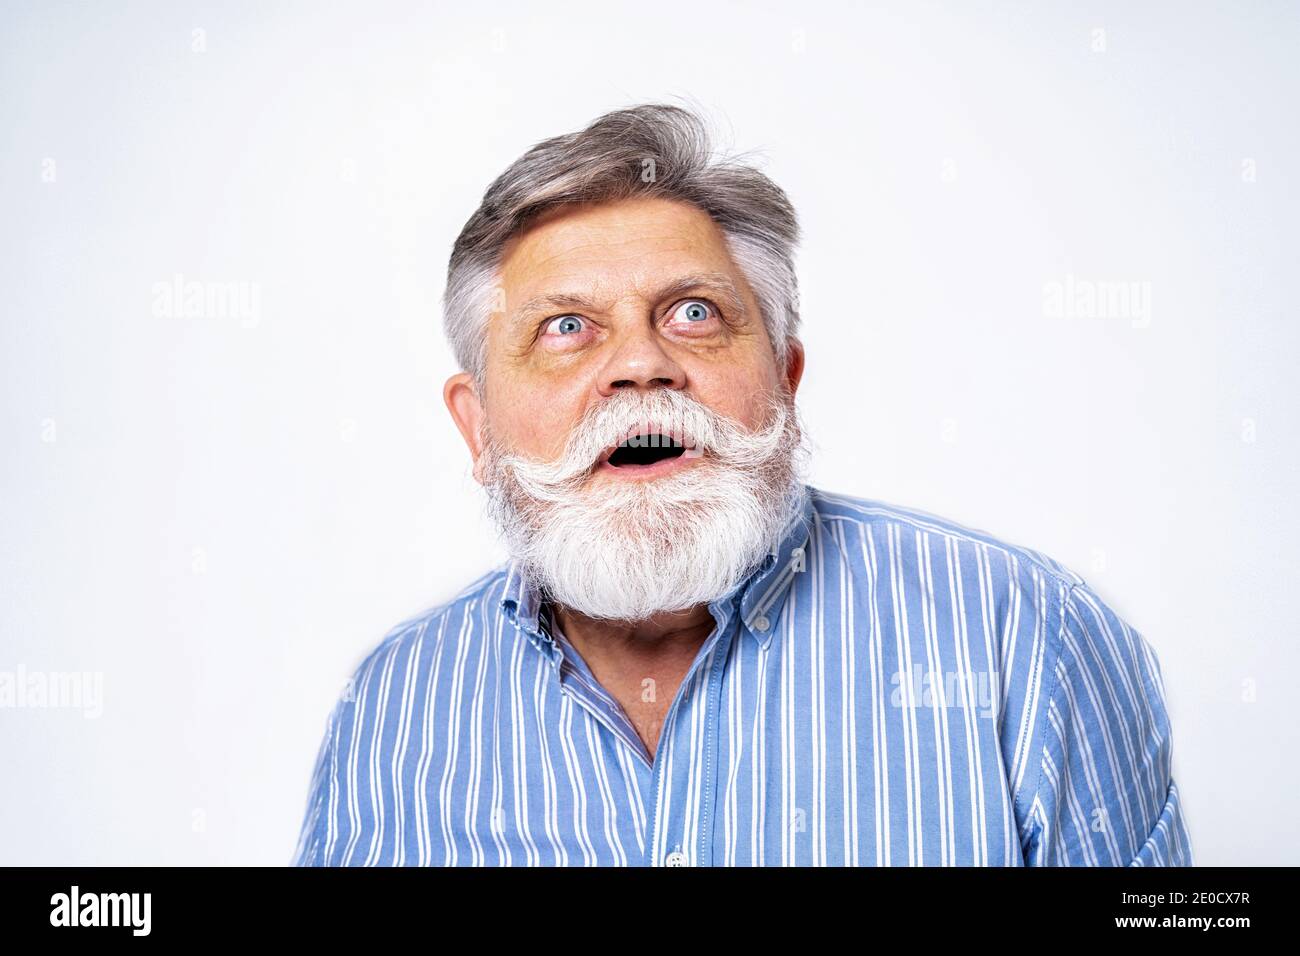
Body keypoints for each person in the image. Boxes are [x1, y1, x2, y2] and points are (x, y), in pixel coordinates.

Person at [292, 104, 1192, 866]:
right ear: (478, 426)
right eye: (566, 327)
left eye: (695, 313)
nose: (641, 364)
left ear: (786, 381)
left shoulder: (1025, 640)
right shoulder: (391, 706)